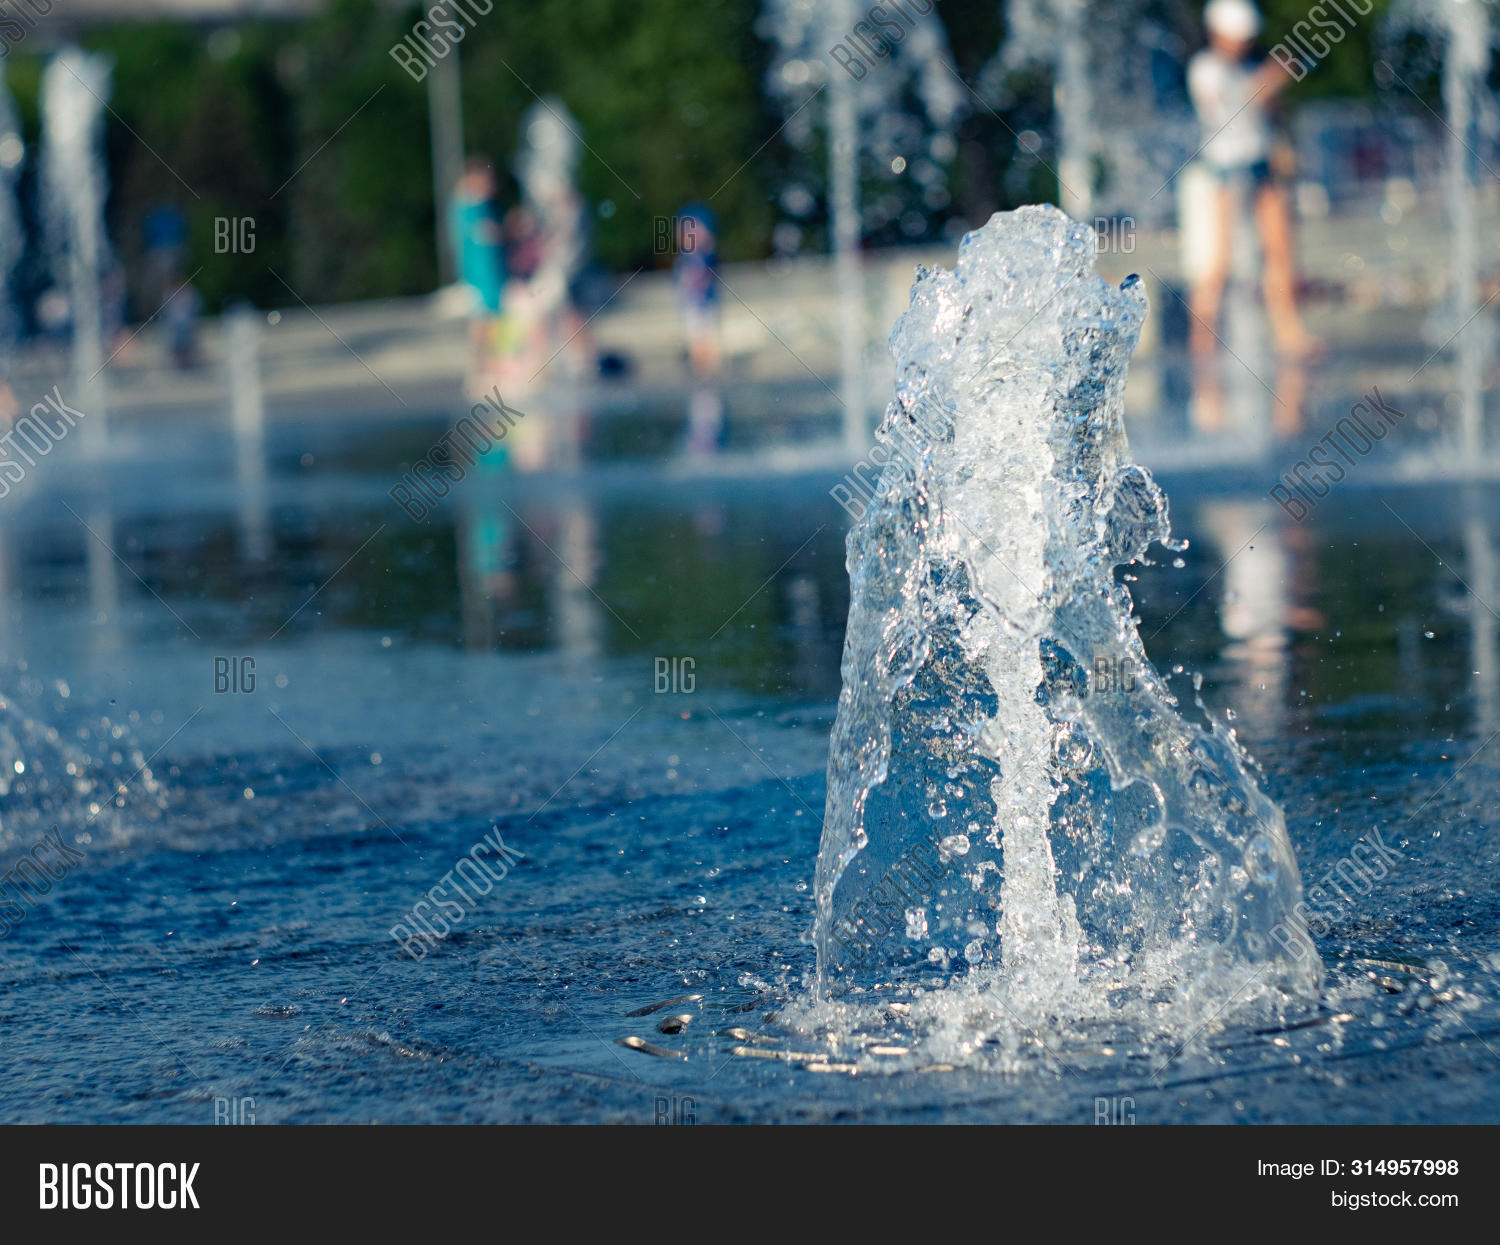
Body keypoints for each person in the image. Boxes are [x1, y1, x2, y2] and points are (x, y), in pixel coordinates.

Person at [1187, 0, 1318, 367]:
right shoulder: (1206, 69)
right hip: (1225, 169)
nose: (1242, 44)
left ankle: (1289, 333)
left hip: (1259, 164)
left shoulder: (1244, 67)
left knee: (1279, 250)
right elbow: (1224, 112)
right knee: (1221, 259)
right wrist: (1267, 82)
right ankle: (1203, 341)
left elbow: (1265, 114)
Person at [448, 157, 507, 394]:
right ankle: (479, 372)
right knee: (483, 323)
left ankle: (488, 369)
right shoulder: (468, 205)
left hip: (487, 272)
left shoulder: (472, 204)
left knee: (489, 321)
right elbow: (484, 234)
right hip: (481, 274)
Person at [673, 204, 722, 378]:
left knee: (706, 337)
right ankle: (701, 370)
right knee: (695, 337)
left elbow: (705, 279)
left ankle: (707, 371)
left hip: (704, 305)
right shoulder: (686, 258)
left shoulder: (706, 257)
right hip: (691, 306)